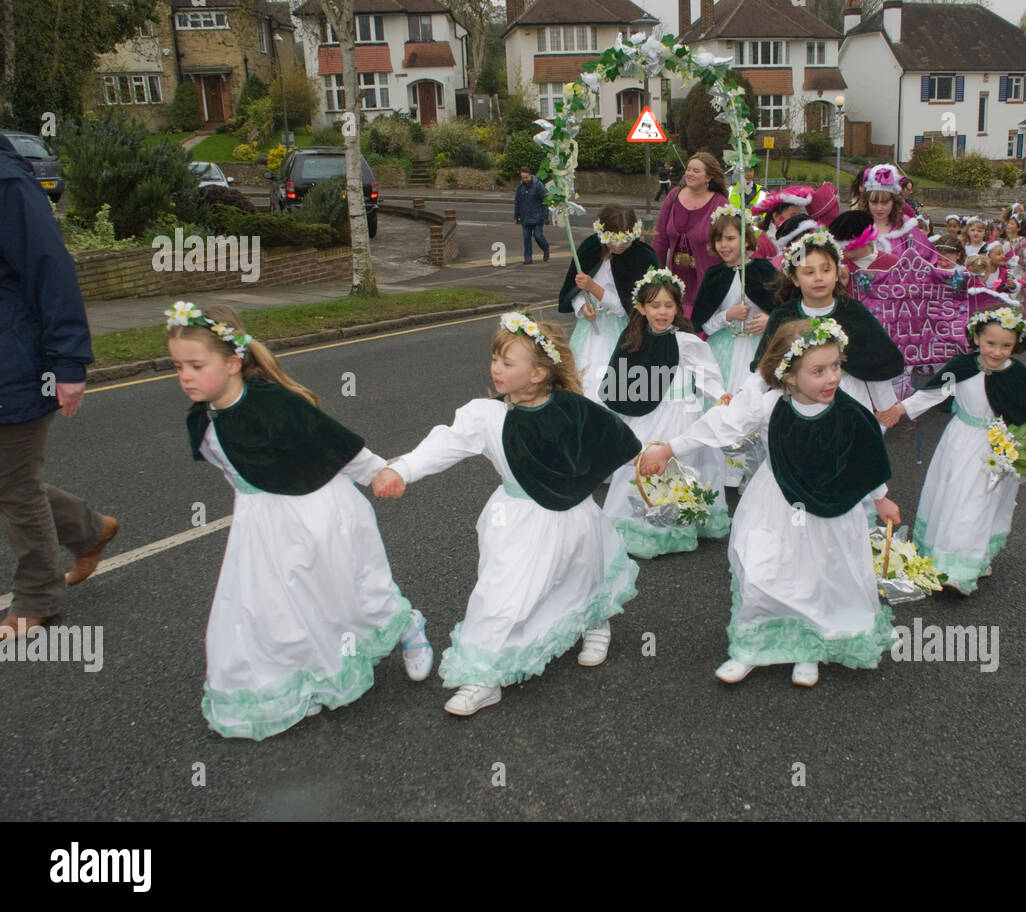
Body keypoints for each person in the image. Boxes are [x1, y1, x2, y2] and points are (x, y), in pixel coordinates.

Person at [166, 302, 432, 738]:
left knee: (347, 591)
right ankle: (298, 677)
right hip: (262, 525)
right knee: (274, 606)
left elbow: (332, 441)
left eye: (196, 365)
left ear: (233, 362)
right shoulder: (204, 420)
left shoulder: (276, 403)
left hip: (321, 513)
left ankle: (406, 623)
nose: (185, 376)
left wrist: (379, 472)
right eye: (178, 366)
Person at [371, 311, 643, 716]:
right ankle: (485, 676)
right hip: (516, 520)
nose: (495, 368)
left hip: (573, 517)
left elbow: (619, 442)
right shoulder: (488, 415)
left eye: (507, 362)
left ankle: (593, 620)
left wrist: (654, 470)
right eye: (494, 359)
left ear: (537, 374)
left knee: (581, 576)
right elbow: (445, 444)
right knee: (502, 594)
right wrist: (403, 468)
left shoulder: (574, 408)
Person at [639, 317, 901, 687]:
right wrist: (670, 448)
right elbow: (721, 425)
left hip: (830, 507)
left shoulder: (849, 411)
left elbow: (866, 456)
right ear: (790, 376)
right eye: (819, 370)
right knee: (762, 567)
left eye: (836, 367)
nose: (832, 378)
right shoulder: (767, 405)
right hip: (775, 500)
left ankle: (808, 645)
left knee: (818, 574)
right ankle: (751, 646)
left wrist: (881, 499)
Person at [0, 133, 117, 640]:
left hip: (16, 364)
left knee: (13, 483)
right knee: (9, 479)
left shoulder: (6, 183)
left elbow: (51, 269)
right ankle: (88, 529)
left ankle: (38, 597)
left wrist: (69, 363)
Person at [877, 306, 1026, 595]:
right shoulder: (962, 366)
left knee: (976, 504)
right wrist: (900, 409)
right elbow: (933, 393)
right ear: (977, 338)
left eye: (1006, 345)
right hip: (958, 441)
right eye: (990, 343)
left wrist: (1020, 450)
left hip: (994, 447)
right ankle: (952, 557)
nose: (997, 351)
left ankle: (961, 570)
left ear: (1016, 344)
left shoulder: (1020, 378)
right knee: (952, 497)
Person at [599, 271, 729, 558]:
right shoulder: (632, 338)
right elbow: (618, 380)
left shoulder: (686, 342)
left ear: (677, 308)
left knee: (680, 468)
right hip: (645, 416)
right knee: (639, 466)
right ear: (642, 308)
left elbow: (706, 373)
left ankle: (674, 523)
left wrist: (719, 396)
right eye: (655, 305)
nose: (662, 311)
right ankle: (638, 522)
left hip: (681, 415)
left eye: (669, 305)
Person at [752, 226, 905, 421]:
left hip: (848, 396)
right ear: (795, 279)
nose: (818, 278)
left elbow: (875, 362)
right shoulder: (783, 315)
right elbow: (765, 366)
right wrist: (747, 396)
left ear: (837, 273)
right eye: (808, 272)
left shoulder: (853, 312)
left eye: (826, 269)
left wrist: (886, 407)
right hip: (798, 398)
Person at [556, 204, 658, 402]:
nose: (618, 247)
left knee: (609, 380)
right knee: (582, 376)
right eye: (612, 241)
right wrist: (582, 307)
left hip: (621, 330)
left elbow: (627, 306)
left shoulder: (641, 257)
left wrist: (594, 288)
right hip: (588, 329)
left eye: (625, 242)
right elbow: (574, 290)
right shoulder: (591, 248)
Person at [691, 204, 778, 397]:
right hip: (722, 349)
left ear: (746, 240)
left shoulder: (764, 270)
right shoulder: (714, 276)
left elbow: (786, 312)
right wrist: (727, 316)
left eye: (730, 238)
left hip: (759, 350)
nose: (723, 245)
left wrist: (770, 320)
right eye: (718, 239)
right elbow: (703, 325)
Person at [650, 151, 729, 315]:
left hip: (706, 284)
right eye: (688, 169)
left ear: (709, 178)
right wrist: (657, 277)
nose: (689, 174)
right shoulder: (673, 196)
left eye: (696, 171)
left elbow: (728, 246)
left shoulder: (720, 203)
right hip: (676, 281)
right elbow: (660, 240)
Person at [513, 167, 550, 265]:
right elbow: (517, 202)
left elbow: (545, 201)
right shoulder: (520, 187)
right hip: (525, 217)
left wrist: (545, 216)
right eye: (522, 178)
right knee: (526, 238)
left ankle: (546, 248)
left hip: (537, 217)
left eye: (526, 177)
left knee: (538, 236)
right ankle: (528, 258)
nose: (524, 180)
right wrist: (516, 217)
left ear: (530, 175)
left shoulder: (538, 185)